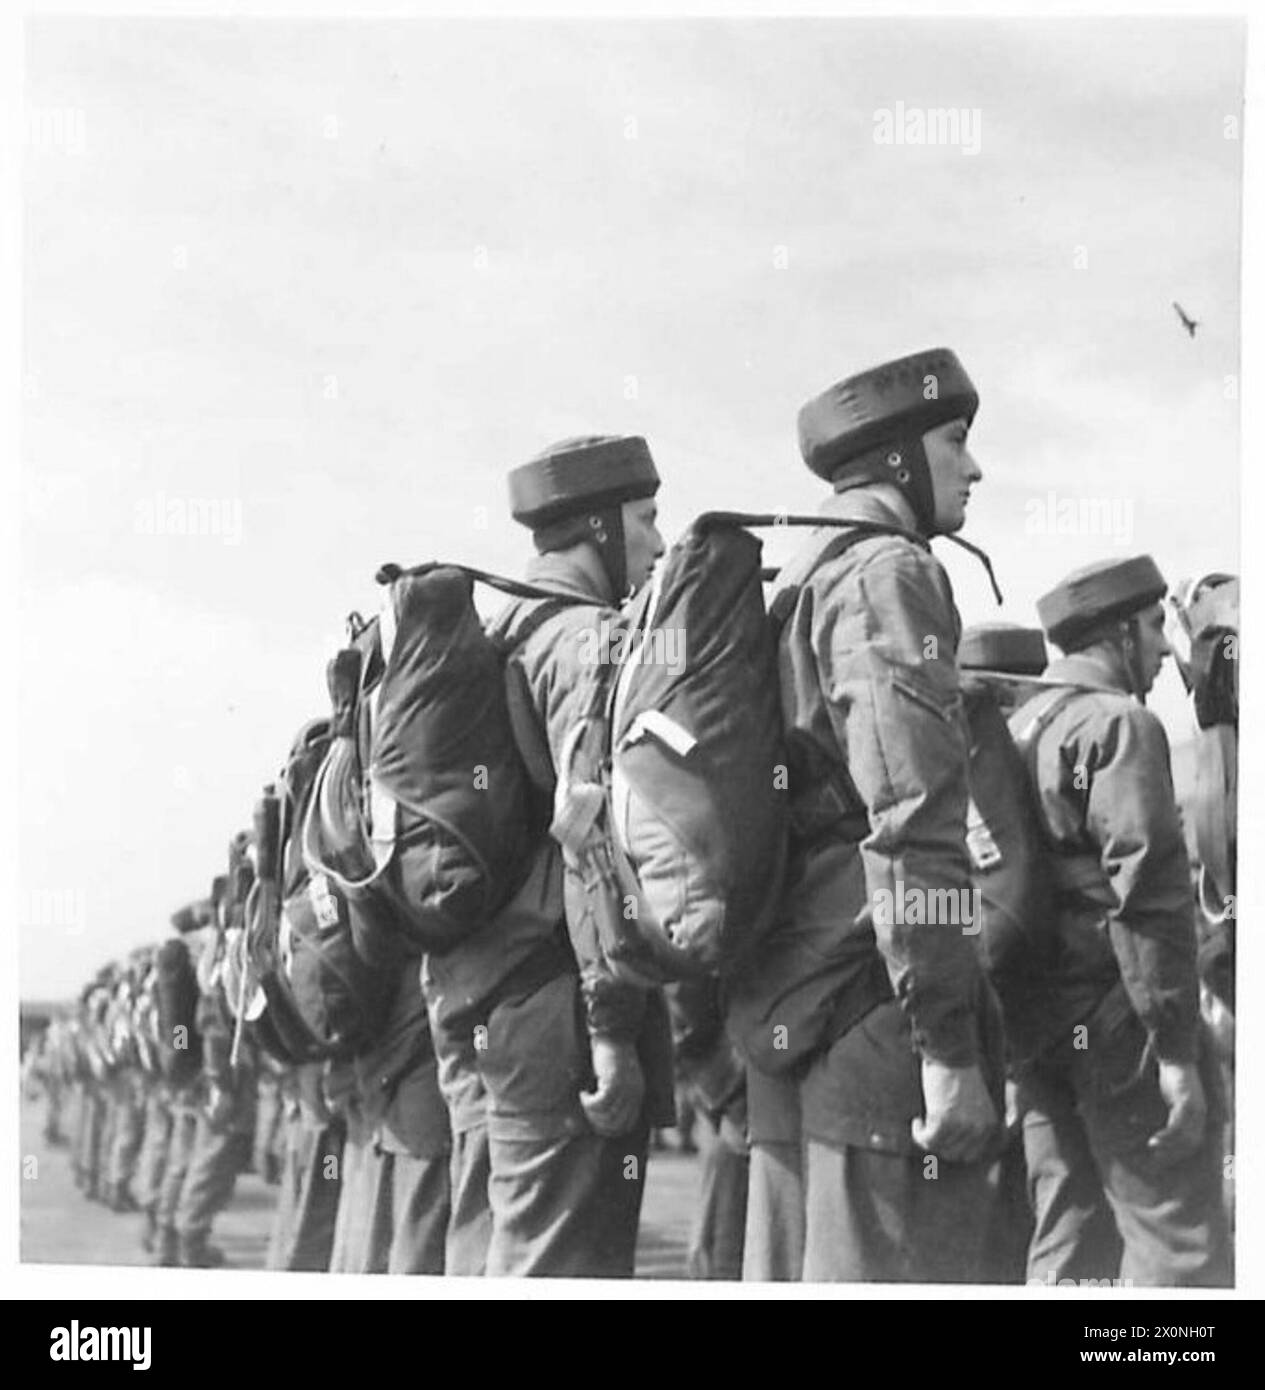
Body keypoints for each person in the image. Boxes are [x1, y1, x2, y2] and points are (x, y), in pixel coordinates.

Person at [730, 348, 1003, 1282]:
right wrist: (949, 1048)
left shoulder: (792, 581)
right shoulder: (887, 574)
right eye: (955, 442)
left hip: (784, 1004)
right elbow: (914, 820)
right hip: (872, 1012)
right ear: (896, 462)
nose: (973, 468)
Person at [423, 433, 675, 1277]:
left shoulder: (498, 632)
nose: (659, 541)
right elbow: (593, 845)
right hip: (551, 1003)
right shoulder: (588, 642)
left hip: (471, 990)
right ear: (599, 529)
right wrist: (610, 1030)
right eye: (643, 519)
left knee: (483, 1251)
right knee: (557, 1264)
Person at [1015, 555, 1232, 1287]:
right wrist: (1173, 1049)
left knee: (1064, 1237)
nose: (1162, 649)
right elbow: (1146, 897)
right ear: (1117, 637)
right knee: (1175, 1240)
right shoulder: (1119, 725)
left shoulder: (1021, 722)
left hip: (1037, 1020)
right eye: (1149, 629)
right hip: (1120, 1023)